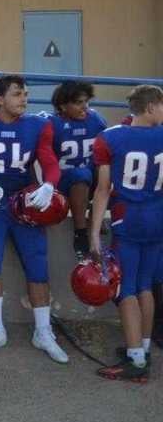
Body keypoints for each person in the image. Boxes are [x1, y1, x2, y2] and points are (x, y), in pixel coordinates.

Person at [0, 75, 68, 363]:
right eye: (18, 93)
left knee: (37, 265)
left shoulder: (38, 126)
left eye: (26, 94)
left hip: (24, 204)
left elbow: (49, 162)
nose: (24, 99)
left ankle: (43, 331)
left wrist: (49, 186)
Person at [89, 85, 163, 382]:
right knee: (145, 285)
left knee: (125, 290)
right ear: (149, 107)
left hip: (128, 219)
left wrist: (94, 231)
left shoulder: (110, 138)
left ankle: (135, 359)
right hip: (157, 218)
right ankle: (142, 349)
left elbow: (103, 189)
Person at [44, 81, 107, 259]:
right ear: (63, 105)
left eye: (86, 102)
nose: (85, 107)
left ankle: (95, 217)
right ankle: (80, 232)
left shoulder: (96, 120)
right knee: (81, 174)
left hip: (91, 180)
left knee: (110, 172)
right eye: (79, 102)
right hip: (63, 181)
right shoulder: (51, 123)